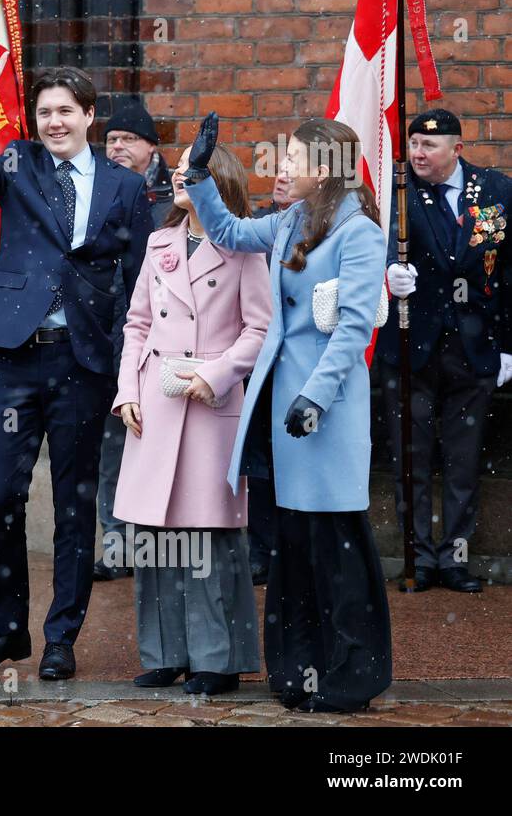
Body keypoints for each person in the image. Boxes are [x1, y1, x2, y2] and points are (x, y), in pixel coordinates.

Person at [0, 30, 154, 680]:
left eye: (67, 110)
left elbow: (141, 277)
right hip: (15, 356)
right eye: (46, 110)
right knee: (0, 496)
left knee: (72, 504)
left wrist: (131, 363)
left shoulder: (124, 186)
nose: (54, 120)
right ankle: (7, 631)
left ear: (90, 116)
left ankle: (61, 637)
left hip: (82, 363)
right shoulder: (16, 163)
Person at [183, 113, 392, 713]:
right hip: (279, 401)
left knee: (336, 546)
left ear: (326, 167)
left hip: (323, 409)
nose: (283, 167)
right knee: (294, 547)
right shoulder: (293, 220)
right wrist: (198, 173)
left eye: (294, 159)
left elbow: (352, 331)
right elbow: (226, 231)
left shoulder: (358, 232)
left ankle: (353, 676)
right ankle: (299, 671)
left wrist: (315, 399)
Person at [113, 142, 271, 695]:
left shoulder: (246, 248)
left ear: (216, 178)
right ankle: (164, 653)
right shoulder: (160, 243)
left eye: (191, 170)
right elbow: (136, 325)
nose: (179, 177)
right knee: (154, 534)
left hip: (210, 405)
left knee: (208, 537)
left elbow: (259, 329)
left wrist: (220, 374)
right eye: (178, 169)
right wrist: (125, 390)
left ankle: (216, 659)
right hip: (156, 401)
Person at [378, 109, 512, 594]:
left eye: (428, 147)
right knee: (409, 459)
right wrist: (387, 277)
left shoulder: (495, 191)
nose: (417, 153)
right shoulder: (395, 192)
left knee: (463, 462)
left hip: (475, 347)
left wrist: (509, 348)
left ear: (457, 148)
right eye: (413, 144)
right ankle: (417, 559)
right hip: (410, 344)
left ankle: (455, 559)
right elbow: (371, 249)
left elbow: (509, 271)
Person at [94, 99, 174, 581]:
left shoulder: (176, 197)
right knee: (111, 448)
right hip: (111, 337)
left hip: (166, 344)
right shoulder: (99, 192)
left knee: (159, 442)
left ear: (151, 146)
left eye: (127, 140)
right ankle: (114, 547)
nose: (117, 147)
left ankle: (157, 542)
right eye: (111, 141)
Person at [242, 168, 293, 585]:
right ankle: (261, 549)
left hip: (299, 362)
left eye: (292, 170)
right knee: (258, 460)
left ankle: (294, 550)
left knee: (293, 459)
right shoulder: (260, 227)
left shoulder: (328, 232)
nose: (281, 177)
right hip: (257, 362)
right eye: (279, 170)